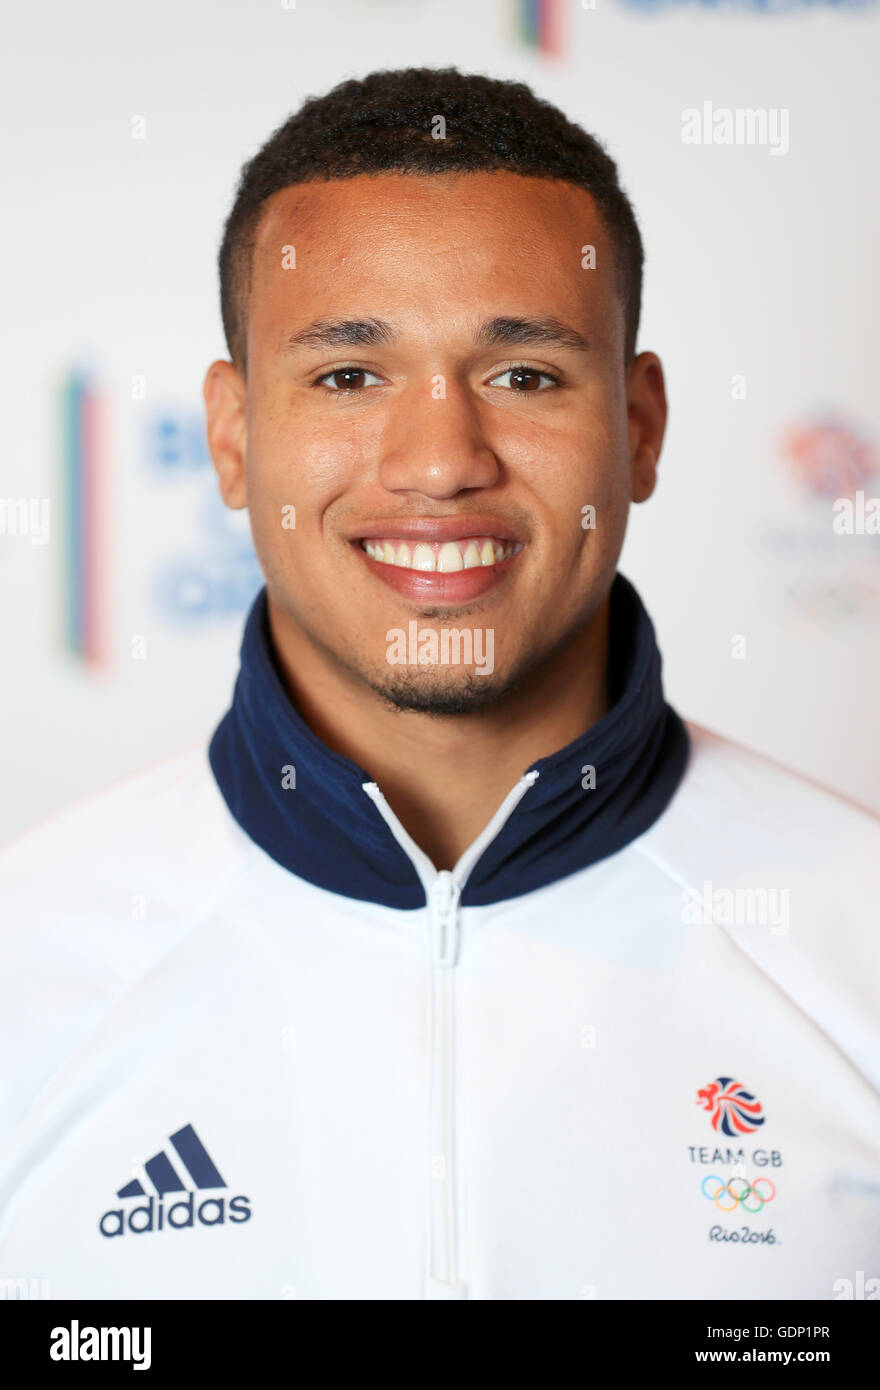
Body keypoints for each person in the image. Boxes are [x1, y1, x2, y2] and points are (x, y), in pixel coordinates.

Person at [1, 68, 878, 1302]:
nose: (439, 463)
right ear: (234, 435)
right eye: (349, 376)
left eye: (522, 374)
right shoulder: (26, 962)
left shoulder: (856, 942)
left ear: (638, 427)